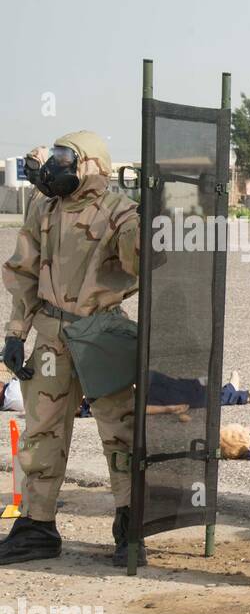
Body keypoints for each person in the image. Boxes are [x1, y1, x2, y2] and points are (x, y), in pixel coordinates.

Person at [0, 132, 142, 566]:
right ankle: (36, 527)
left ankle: (130, 526)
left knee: (120, 432)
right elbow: (23, 272)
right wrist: (14, 333)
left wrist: (153, 221)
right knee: (42, 432)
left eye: (65, 158)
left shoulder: (121, 210)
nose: (54, 165)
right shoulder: (42, 206)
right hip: (51, 335)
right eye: (54, 157)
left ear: (92, 166)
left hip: (102, 332)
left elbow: (143, 264)